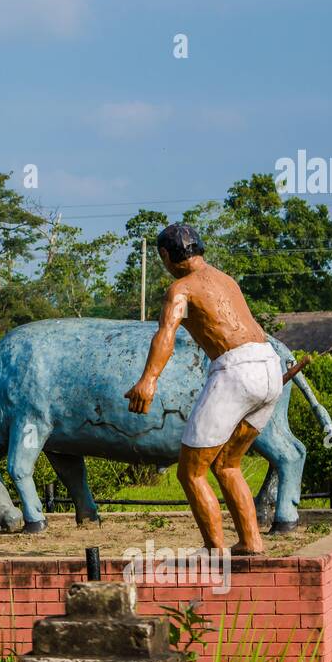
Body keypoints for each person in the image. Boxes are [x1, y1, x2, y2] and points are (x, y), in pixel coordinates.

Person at [124, 223, 281, 555]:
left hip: (235, 370)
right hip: (269, 366)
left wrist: (148, 380)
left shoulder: (181, 289)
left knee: (191, 472)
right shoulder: (226, 280)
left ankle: (214, 549)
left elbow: (166, 334)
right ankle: (251, 542)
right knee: (228, 463)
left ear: (165, 255)